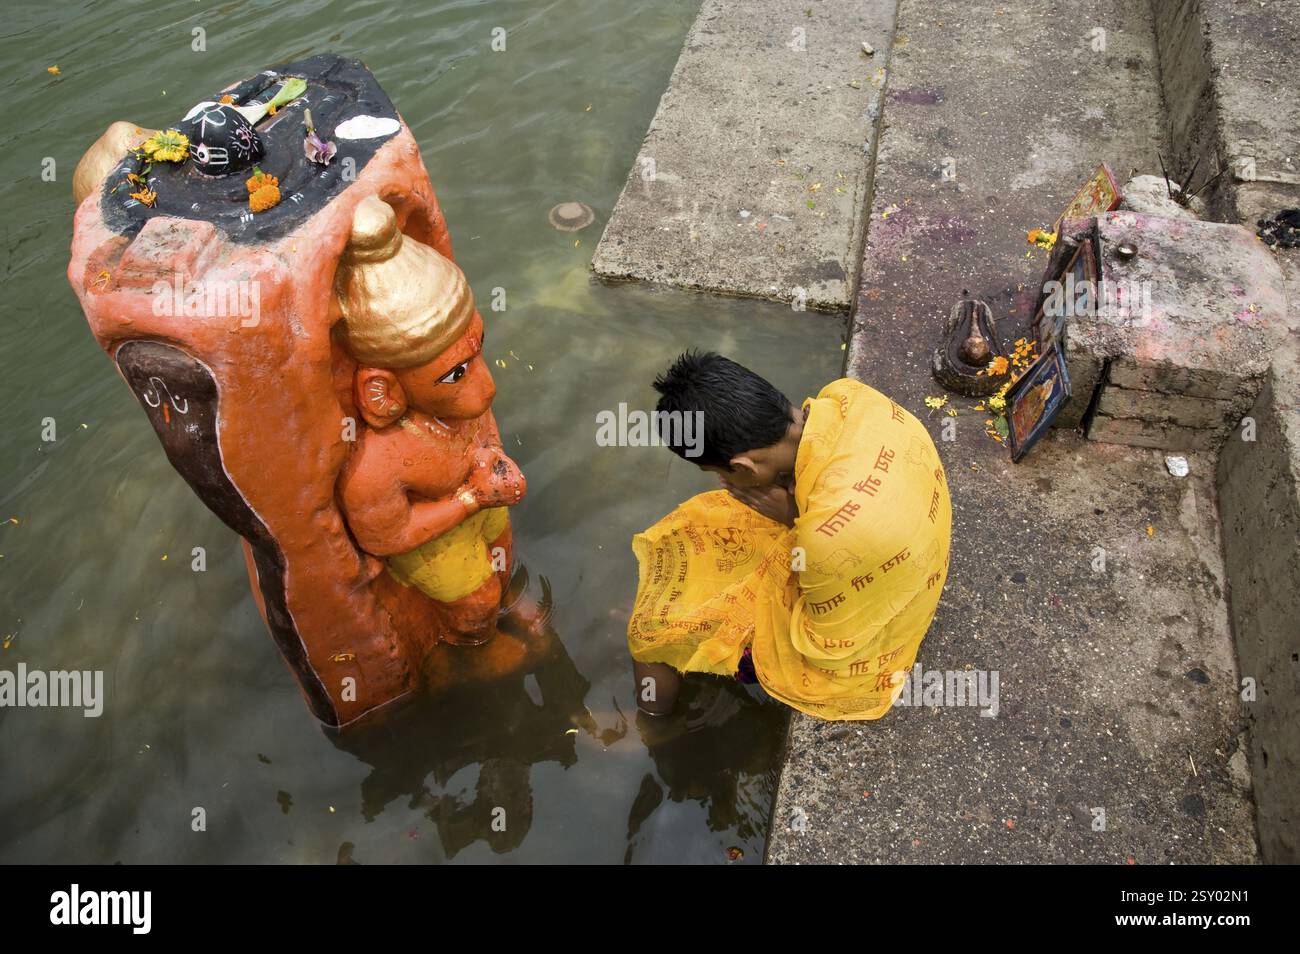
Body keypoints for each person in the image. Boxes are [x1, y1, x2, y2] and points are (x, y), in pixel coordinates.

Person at [627, 351, 952, 720]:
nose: (723, 483)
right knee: (698, 526)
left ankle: (653, 725)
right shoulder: (849, 397)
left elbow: (819, 644)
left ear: (743, 466)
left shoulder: (826, 536)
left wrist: (792, 518)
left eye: (722, 475)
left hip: (865, 647)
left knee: (652, 630)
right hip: (896, 553)